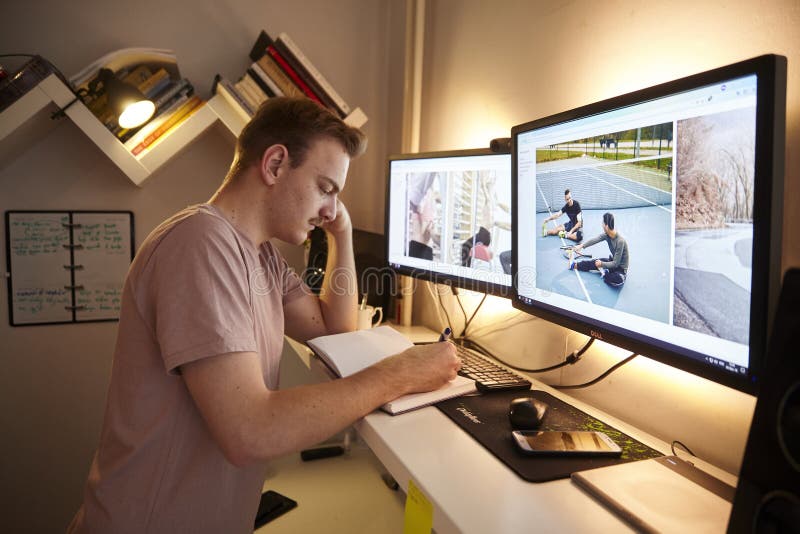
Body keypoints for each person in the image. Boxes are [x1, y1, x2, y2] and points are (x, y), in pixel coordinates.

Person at [67, 98, 460, 534]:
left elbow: (335, 329)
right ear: (274, 164)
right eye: (326, 187)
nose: (331, 208)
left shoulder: (260, 257)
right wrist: (399, 374)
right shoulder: (200, 244)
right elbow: (250, 431)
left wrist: (342, 233)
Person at [569, 212, 629, 288]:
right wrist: (581, 246)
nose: (602, 225)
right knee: (595, 262)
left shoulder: (620, 241)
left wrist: (602, 264)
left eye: (602, 223)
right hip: (612, 262)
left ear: (606, 226)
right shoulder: (607, 235)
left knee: (617, 280)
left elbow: (616, 264)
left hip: (620, 269)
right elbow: (595, 239)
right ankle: (574, 265)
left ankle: (606, 273)